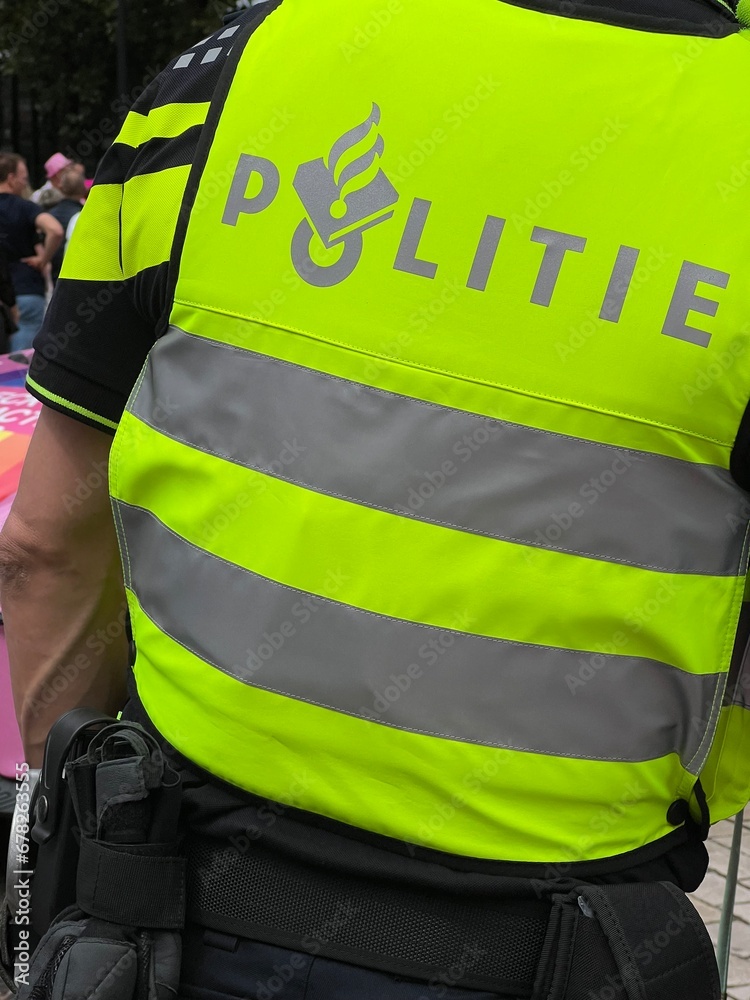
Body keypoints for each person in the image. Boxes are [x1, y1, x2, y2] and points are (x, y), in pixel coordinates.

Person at [2, 0, 750, 995]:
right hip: (564, 931)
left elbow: (49, 540)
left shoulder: (233, 70)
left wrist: (71, 845)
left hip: (173, 912)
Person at [0, 154, 63, 351]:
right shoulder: (25, 207)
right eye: (23, 178)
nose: (25, 183)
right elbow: (55, 230)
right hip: (26, 289)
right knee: (19, 363)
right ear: (11, 178)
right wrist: (43, 260)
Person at [48, 167, 87, 284]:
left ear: (60, 188)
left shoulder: (48, 215)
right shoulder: (86, 216)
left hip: (54, 275)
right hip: (76, 277)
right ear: (83, 190)